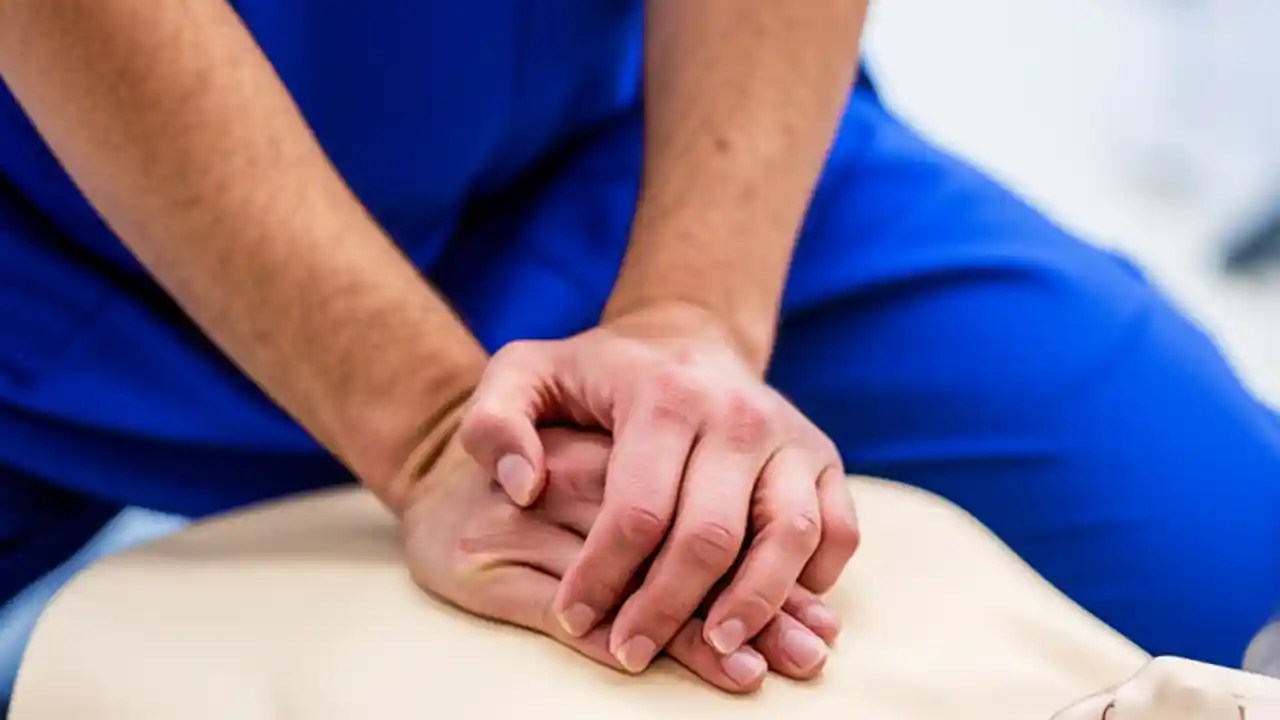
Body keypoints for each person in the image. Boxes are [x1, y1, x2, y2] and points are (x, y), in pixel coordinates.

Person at [0, 0, 1274, 703]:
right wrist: (428, 422)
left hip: (630, 146)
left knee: (1236, 562)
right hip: (46, 239)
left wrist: (697, 315)